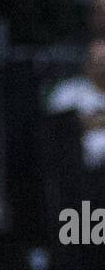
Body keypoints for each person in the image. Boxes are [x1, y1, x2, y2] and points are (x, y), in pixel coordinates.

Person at [46, 39, 105, 173]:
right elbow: (58, 125)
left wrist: (92, 120)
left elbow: (85, 120)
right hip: (76, 172)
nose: (102, 67)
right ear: (87, 64)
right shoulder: (68, 91)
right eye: (99, 61)